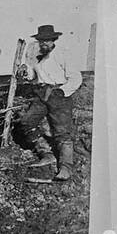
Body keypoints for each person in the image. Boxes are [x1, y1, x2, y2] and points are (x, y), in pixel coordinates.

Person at [17, 25, 82, 182]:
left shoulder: (63, 54)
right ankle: (46, 153)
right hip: (41, 94)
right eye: (41, 41)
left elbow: (76, 77)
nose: (43, 44)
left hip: (59, 95)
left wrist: (63, 91)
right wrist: (27, 72)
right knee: (26, 123)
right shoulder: (39, 56)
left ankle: (65, 168)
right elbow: (34, 76)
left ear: (54, 40)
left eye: (46, 41)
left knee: (62, 132)